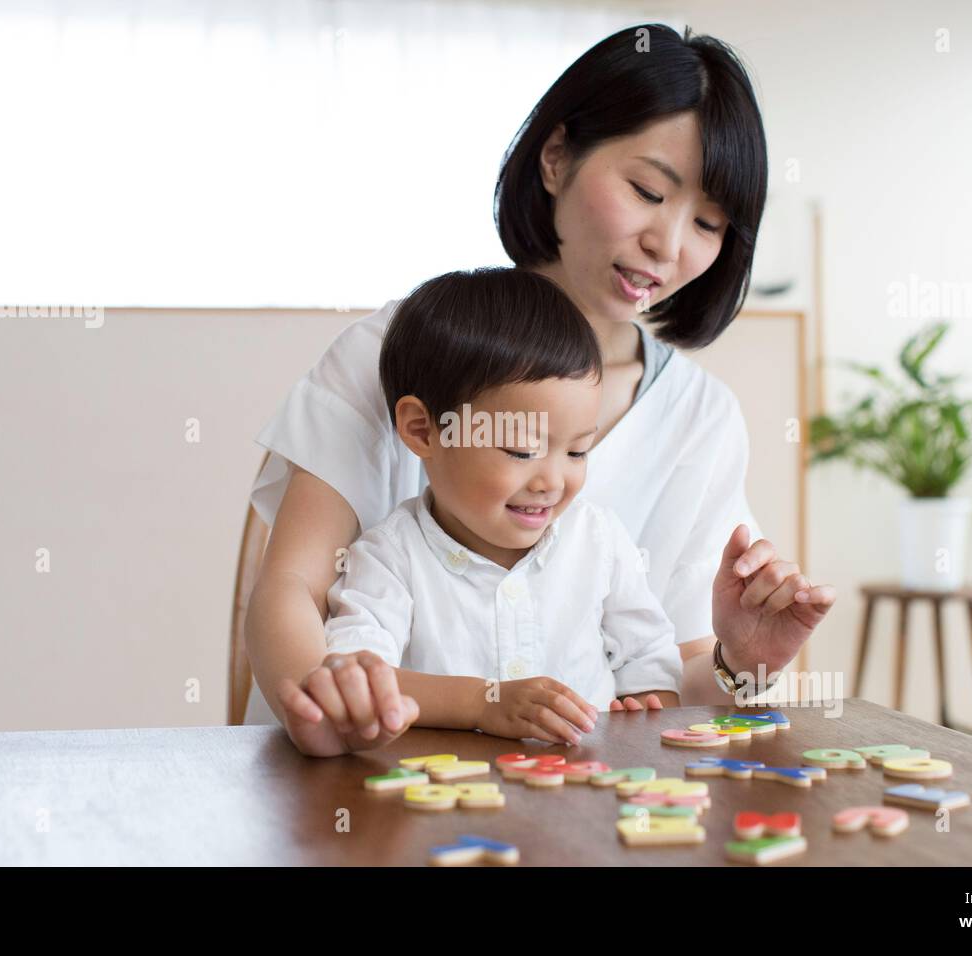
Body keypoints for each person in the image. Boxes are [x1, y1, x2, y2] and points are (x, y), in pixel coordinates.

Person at [245, 24, 837, 756]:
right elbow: (291, 591)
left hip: (564, 818)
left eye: (708, 222)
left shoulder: (701, 419)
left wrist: (737, 660)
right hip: (359, 799)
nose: (669, 243)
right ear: (555, 159)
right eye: (647, 190)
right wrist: (329, 704)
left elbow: (657, 684)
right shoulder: (395, 353)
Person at [323, 267, 684, 743]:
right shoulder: (390, 558)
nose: (552, 481)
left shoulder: (598, 540)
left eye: (577, 451)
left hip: (582, 802)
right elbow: (360, 679)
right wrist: (481, 701)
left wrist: (650, 702)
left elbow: (651, 662)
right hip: (443, 804)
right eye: (520, 451)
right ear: (424, 430)